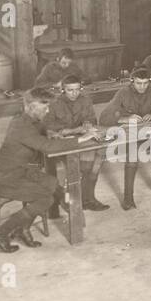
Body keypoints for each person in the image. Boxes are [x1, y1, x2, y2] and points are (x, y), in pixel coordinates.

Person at [0, 88, 92, 253]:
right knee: (46, 198)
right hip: (5, 178)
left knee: (52, 182)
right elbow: (47, 146)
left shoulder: (24, 120)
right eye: (44, 107)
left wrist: (49, 132)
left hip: (16, 170)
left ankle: (23, 229)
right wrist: (81, 139)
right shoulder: (22, 126)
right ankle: (1, 233)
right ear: (30, 107)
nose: (48, 111)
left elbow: (41, 132)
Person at [98, 68, 151, 210]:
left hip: (148, 131)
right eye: (138, 83)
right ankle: (128, 198)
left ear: (149, 82)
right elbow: (103, 118)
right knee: (132, 156)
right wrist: (125, 119)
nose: (142, 87)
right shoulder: (123, 93)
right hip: (130, 134)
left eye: (145, 83)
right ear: (132, 81)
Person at [45, 75, 109, 212]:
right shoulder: (54, 104)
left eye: (77, 89)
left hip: (82, 139)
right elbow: (50, 130)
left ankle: (89, 198)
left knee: (99, 157)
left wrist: (87, 124)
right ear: (63, 90)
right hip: (61, 144)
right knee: (88, 161)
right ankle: (71, 200)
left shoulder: (85, 100)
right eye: (70, 90)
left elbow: (92, 118)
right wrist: (76, 130)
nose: (74, 93)